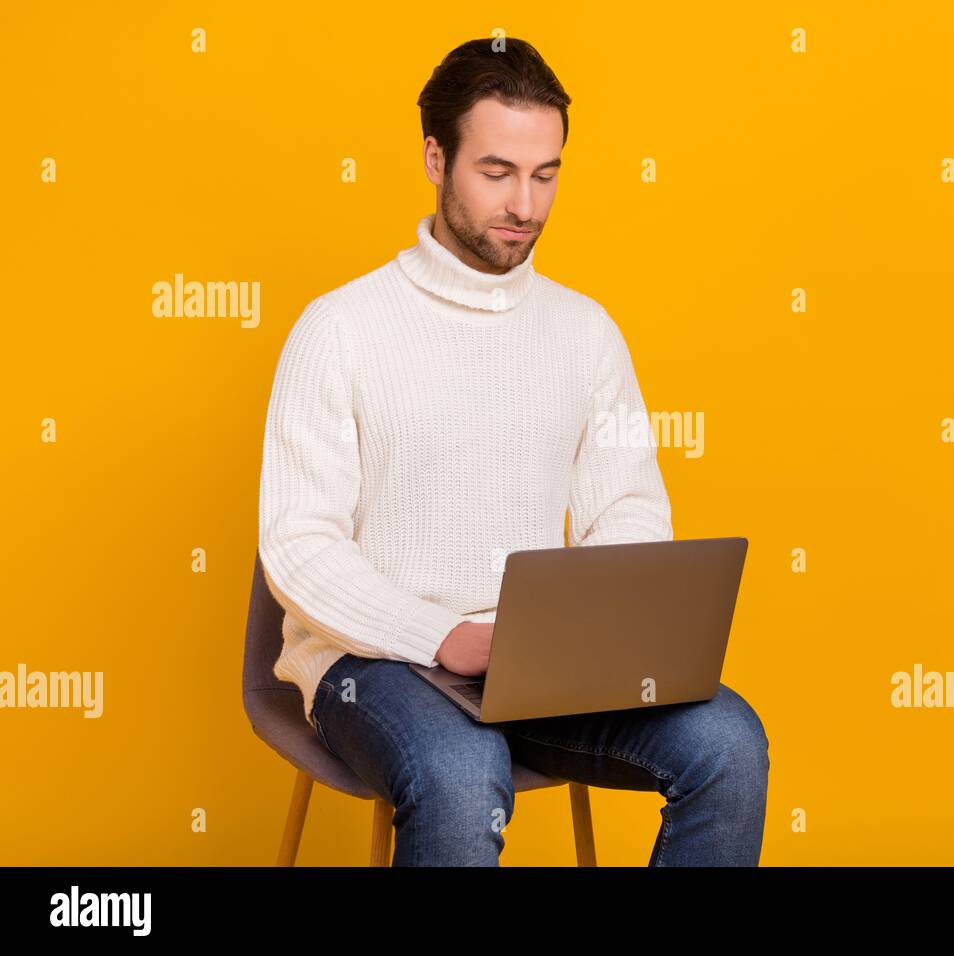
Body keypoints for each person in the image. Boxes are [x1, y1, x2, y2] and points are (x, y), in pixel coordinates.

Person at [257, 37, 769, 866]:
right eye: (496, 172)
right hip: (374, 661)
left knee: (729, 744)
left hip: (545, 664)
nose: (524, 205)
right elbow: (299, 545)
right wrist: (442, 634)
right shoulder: (339, 330)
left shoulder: (586, 332)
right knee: (462, 772)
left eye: (546, 173)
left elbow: (631, 509)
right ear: (435, 158)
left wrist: (593, 634)